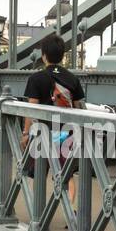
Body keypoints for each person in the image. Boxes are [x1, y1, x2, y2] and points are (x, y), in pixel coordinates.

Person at [22, 33, 86, 203]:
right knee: (67, 174)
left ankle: (39, 211)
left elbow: (31, 108)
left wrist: (26, 133)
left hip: (43, 133)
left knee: (39, 174)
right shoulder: (73, 78)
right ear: (62, 55)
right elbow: (79, 107)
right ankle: (71, 210)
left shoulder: (36, 78)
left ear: (43, 55)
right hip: (66, 132)